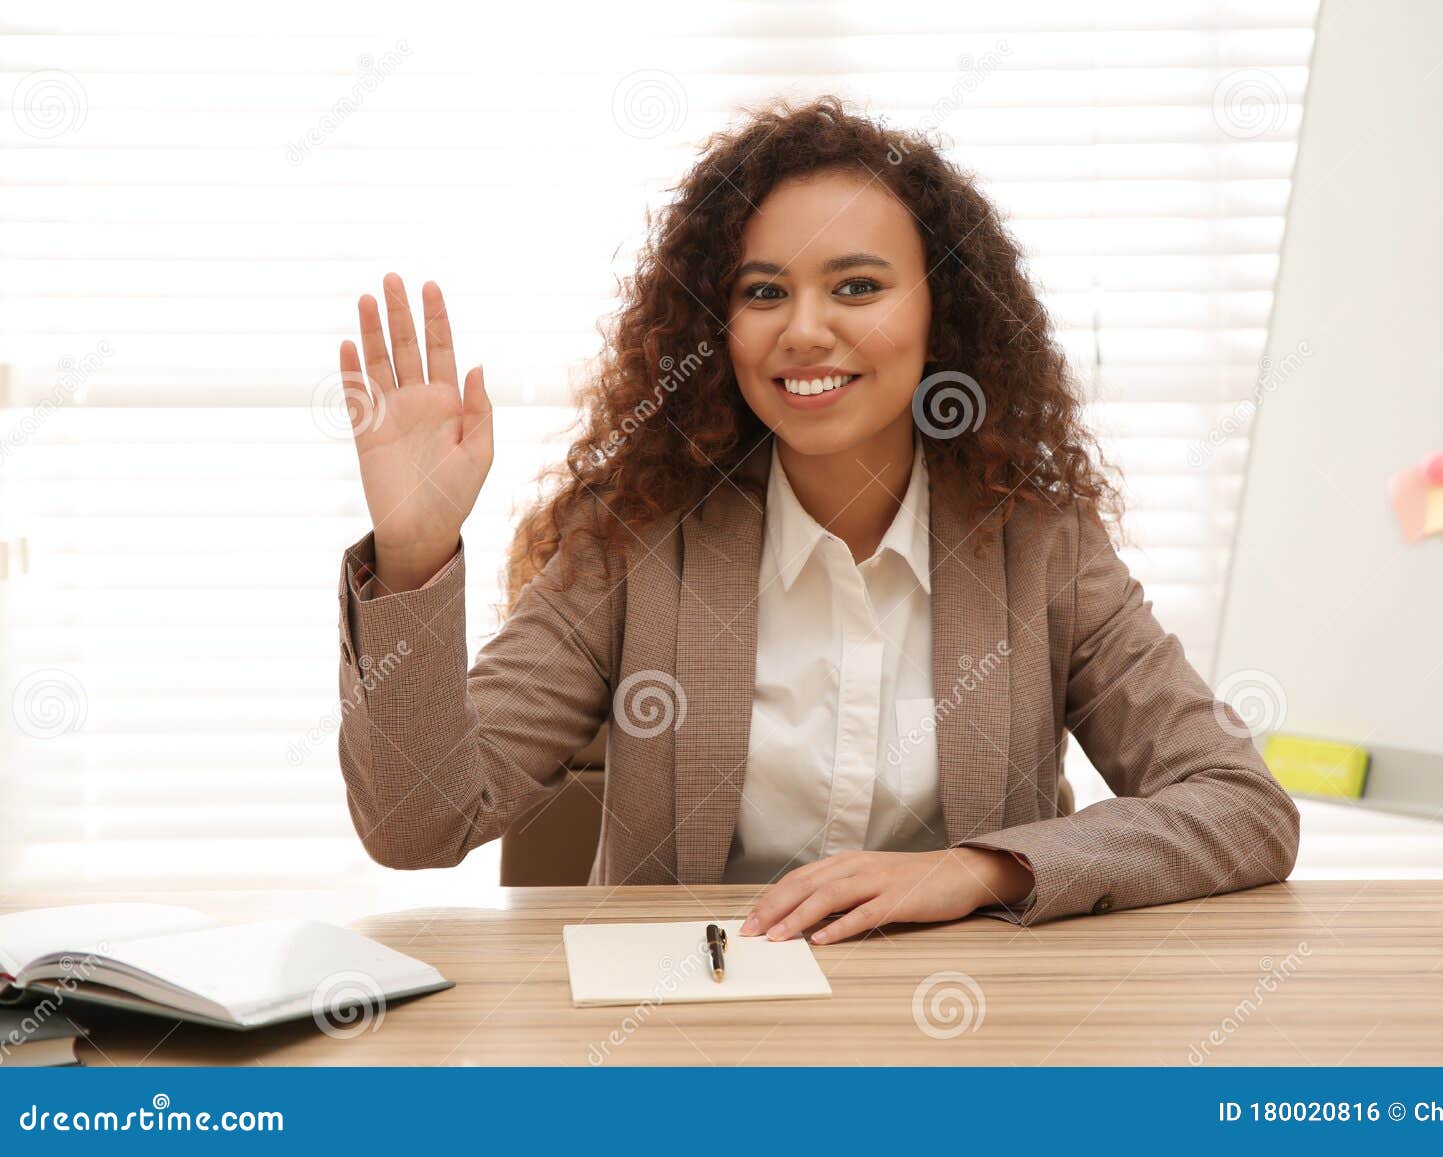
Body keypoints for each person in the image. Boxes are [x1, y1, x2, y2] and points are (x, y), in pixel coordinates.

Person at [332, 95, 1298, 946]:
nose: (803, 329)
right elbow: (417, 824)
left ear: (941, 315)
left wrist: (971, 869)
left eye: (858, 286)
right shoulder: (636, 541)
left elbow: (1242, 807)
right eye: (764, 292)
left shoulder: (1039, 547)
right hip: (684, 1039)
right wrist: (414, 556)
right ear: (722, 329)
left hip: (965, 1040)